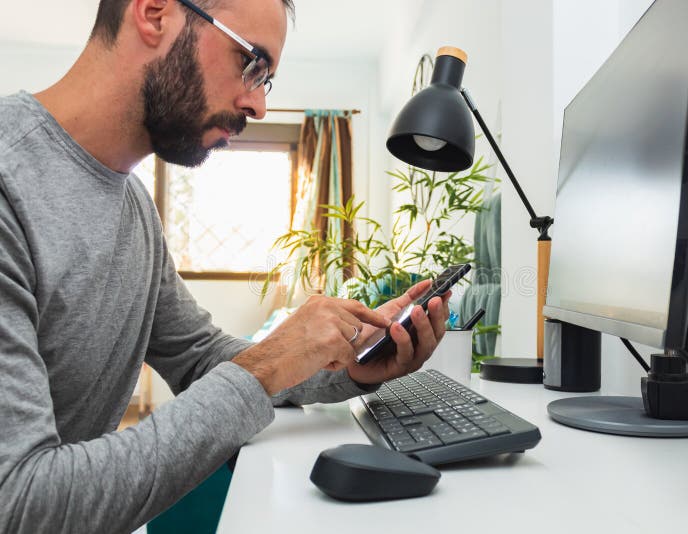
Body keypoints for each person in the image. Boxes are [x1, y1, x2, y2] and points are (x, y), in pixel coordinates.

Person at [0, 0, 450, 531]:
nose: (258, 104)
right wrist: (265, 364)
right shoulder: (12, 182)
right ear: (154, 13)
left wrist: (348, 364)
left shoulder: (135, 209)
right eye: (252, 62)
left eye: (268, 80)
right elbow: (20, 502)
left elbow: (197, 356)